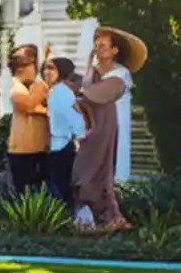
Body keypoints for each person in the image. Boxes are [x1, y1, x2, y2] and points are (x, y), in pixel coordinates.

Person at [71, 27, 148, 234]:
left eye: (103, 45)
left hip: (110, 129)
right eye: (96, 45)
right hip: (92, 129)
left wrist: (81, 94)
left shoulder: (119, 74)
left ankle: (109, 218)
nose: (98, 49)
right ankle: (91, 221)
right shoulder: (93, 72)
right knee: (84, 172)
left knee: (102, 172)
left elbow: (101, 94)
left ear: (114, 50)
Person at [6, 44, 50, 194]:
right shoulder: (17, 90)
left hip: (41, 149)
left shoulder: (34, 87)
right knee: (26, 195)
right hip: (23, 152)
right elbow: (30, 106)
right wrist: (43, 83)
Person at [42, 55, 84, 209]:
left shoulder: (59, 92)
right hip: (58, 145)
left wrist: (81, 138)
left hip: (61, 146)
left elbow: (74, 117)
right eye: (45, 68)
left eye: (52, 68)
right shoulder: (56, 91)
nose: (47, 72)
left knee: (61, 190)